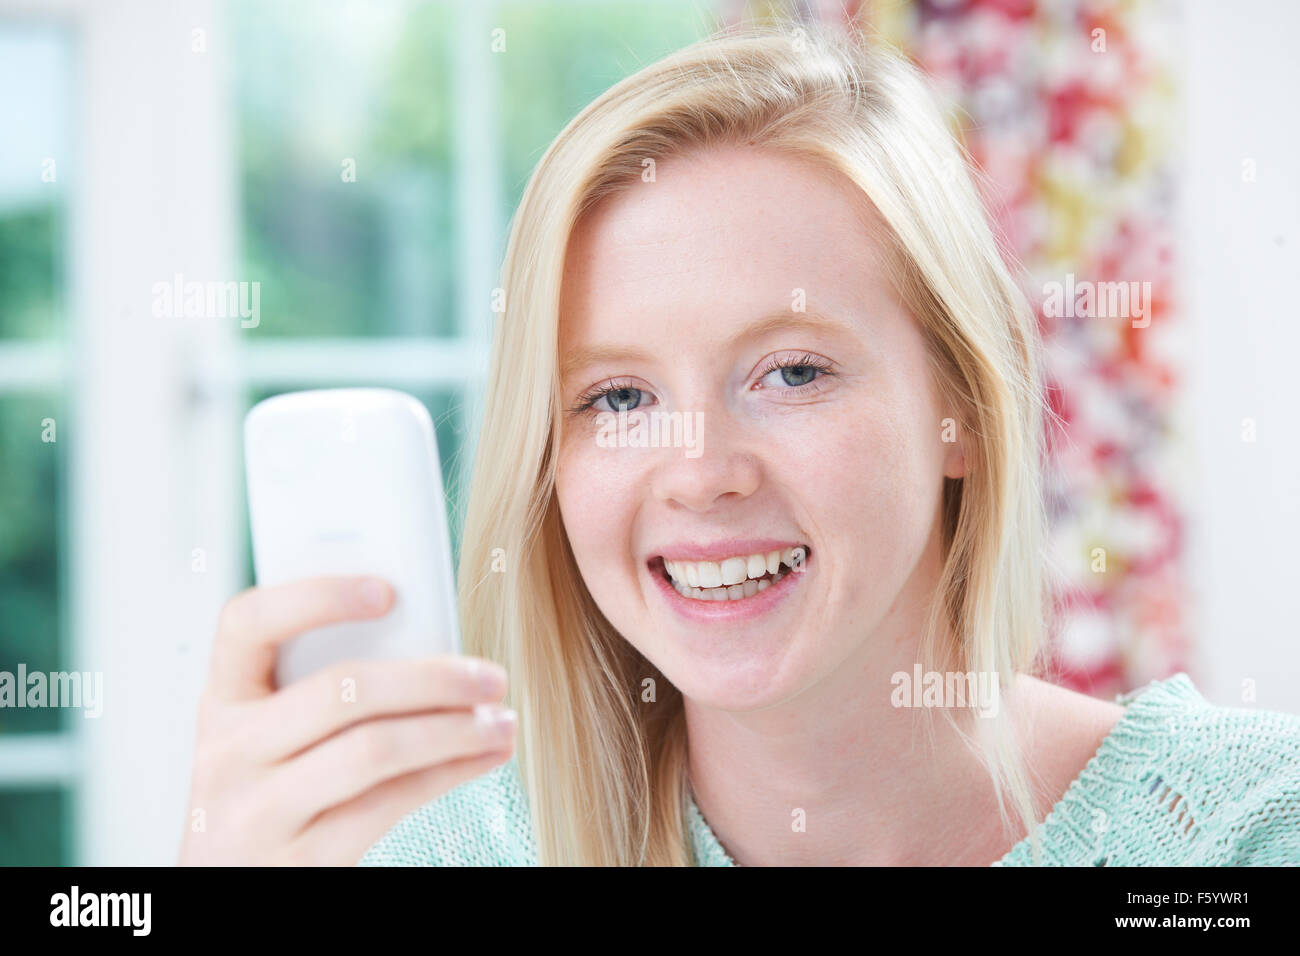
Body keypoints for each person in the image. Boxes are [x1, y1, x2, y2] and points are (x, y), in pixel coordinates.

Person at [179, 20, 1300, 867]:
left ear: (962, 402)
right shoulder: (435, 850)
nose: (702, 470)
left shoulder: (1241, 834)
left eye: (793, 372)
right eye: (616, 396)